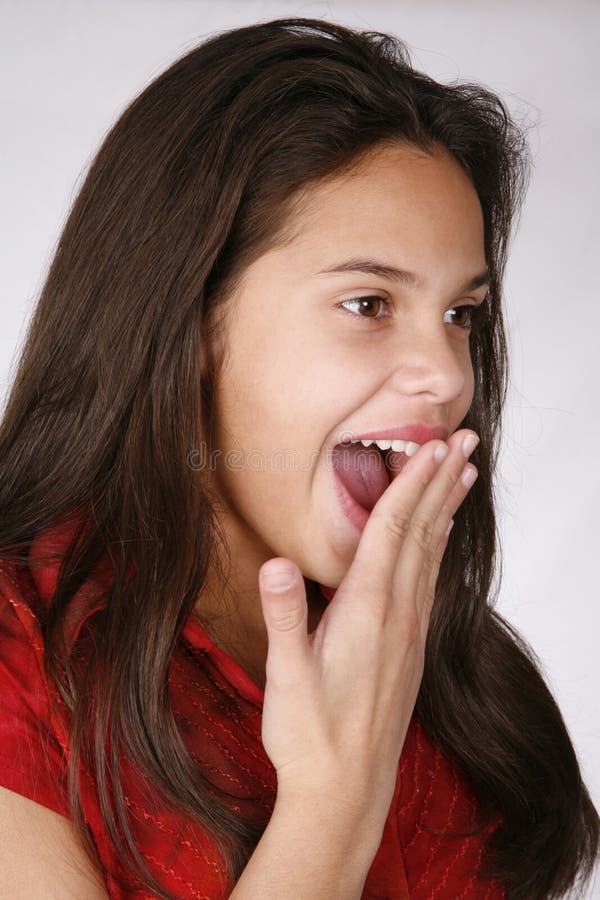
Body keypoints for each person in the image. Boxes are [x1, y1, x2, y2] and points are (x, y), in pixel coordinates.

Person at [0, 16, 597, 900]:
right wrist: (332, 804)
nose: (444, 375)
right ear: (191, 319)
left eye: (460, 314)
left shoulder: (452, 671)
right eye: (368, 303)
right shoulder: (26, 660)